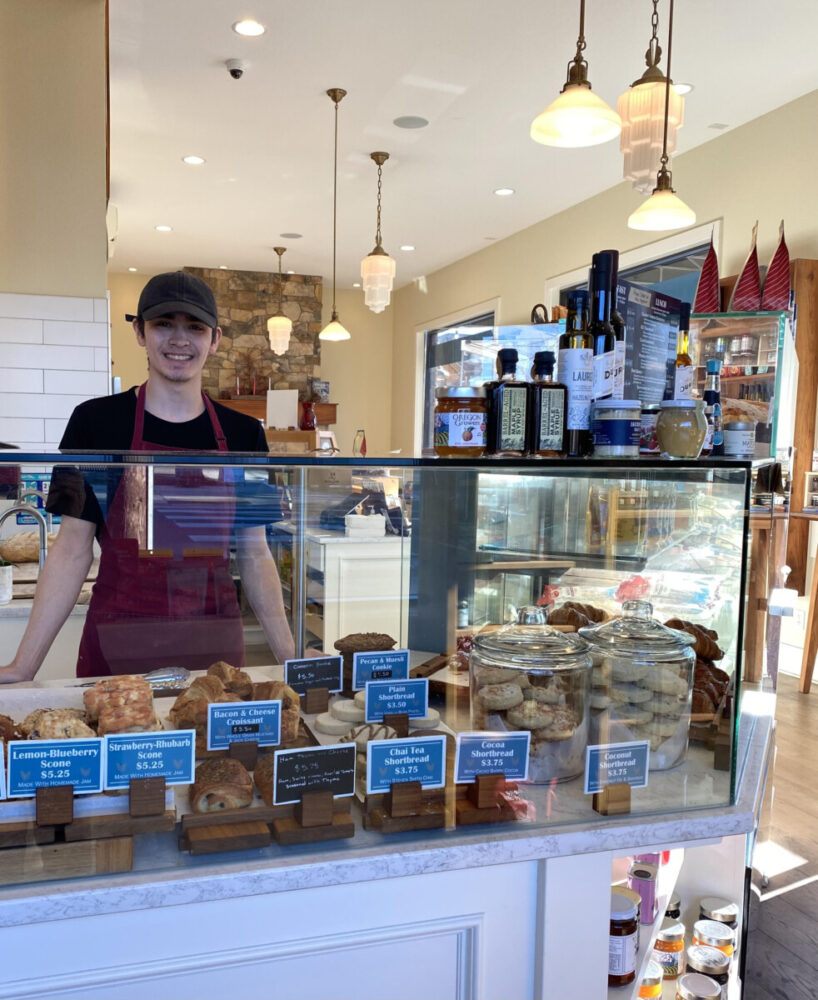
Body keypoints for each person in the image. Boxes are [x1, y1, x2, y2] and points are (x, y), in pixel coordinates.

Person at [0, 270, 295, 682]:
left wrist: (290, 660)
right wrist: (24, 665)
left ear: (215, 338)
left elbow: (255, 553)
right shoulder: (93, 423)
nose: (179, 340)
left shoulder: (247, 435)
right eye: (162, 325)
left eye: (194, 327)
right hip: (119, 646)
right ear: (139, 331)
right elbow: (70, 551)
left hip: (215, 654)